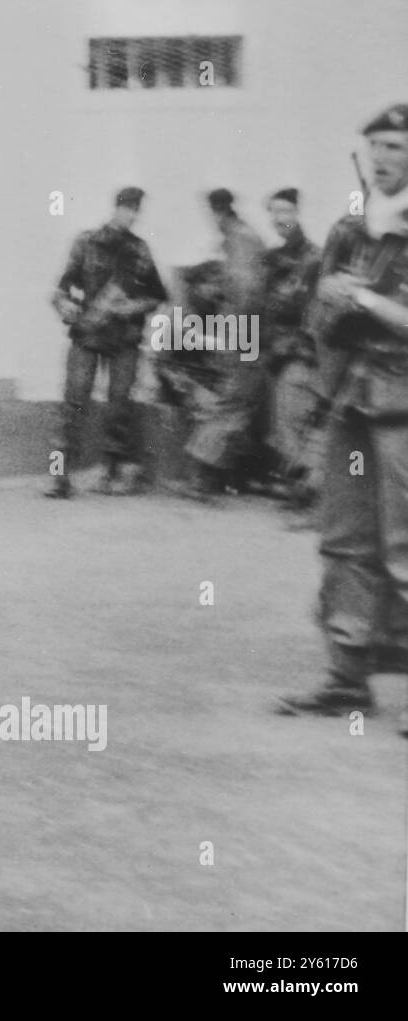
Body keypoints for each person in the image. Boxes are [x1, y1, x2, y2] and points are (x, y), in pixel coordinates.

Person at [274, 104, 408, 737]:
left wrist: (364, 298)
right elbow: (317, 313)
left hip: (404, 403)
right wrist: (329, 299)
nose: (383, 157)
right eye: (376, 145)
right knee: (345, 542)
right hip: (353, 398)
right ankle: (347, 677)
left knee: (405, 547)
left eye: (396, 146)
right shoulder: (351, 226)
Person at [48, 186, 168, 499]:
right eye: (127, 208)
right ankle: (59, 476)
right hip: (88, 334)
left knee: (119, 406)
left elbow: (158, 295)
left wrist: (133, 307)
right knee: (73, 403)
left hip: (125, 339)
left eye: (136, 210)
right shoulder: (86, 243)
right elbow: (62, 288)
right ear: (115, 208)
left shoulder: (140, 250)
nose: (131, 215)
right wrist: (66, 305)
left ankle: (112, 473)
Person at [178, 188, 270, 499]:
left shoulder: (238, 238)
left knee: (234, 402)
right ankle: (202, 477)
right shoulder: (242, 236)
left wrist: (232, 334)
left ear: (218, 212)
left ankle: (202, 475)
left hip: (242, 329)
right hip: (245, 330)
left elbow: (244, 291)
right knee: (235, 403)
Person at [259, 188, 323, 510]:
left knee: (293, 420)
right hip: (277, 354)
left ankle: (305, 494)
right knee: (284, 422)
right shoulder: (273, 258)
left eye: (285, 211)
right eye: (274, 212)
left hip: (301, 353)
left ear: (297, 213)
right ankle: (299, 489)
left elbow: (311, 312)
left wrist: (301, 348)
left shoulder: (312, 258)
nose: (279, 218)